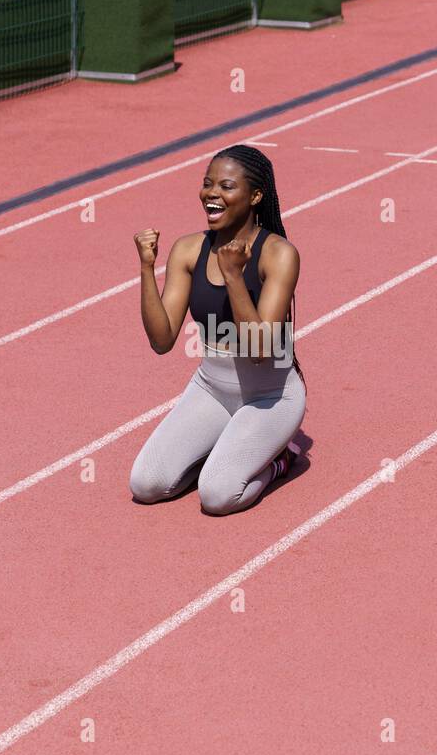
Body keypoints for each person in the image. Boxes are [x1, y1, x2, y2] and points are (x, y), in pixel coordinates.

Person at [129, 144, 306, 516]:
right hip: (211, 390)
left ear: (255, 196)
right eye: (207, 184)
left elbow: (260, 348)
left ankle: (281, 460)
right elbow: (162, 341)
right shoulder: (188, 249)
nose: (211, 194)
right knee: (146, 485)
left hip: (270, 396)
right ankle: (221, 447)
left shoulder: (279, 254)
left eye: (226, 186)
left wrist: (233, 276)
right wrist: (147, 268)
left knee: (218, 496)